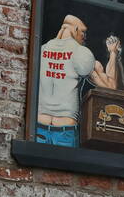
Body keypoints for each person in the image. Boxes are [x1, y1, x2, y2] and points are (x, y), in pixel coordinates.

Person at [35, 15, 109, 147]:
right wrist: (113, 54)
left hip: (39, 126)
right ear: (75, 29)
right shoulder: (80, 53)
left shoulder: (42, 49)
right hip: (65, 131)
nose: (84, 37)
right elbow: (106, 86)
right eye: (83, 32)